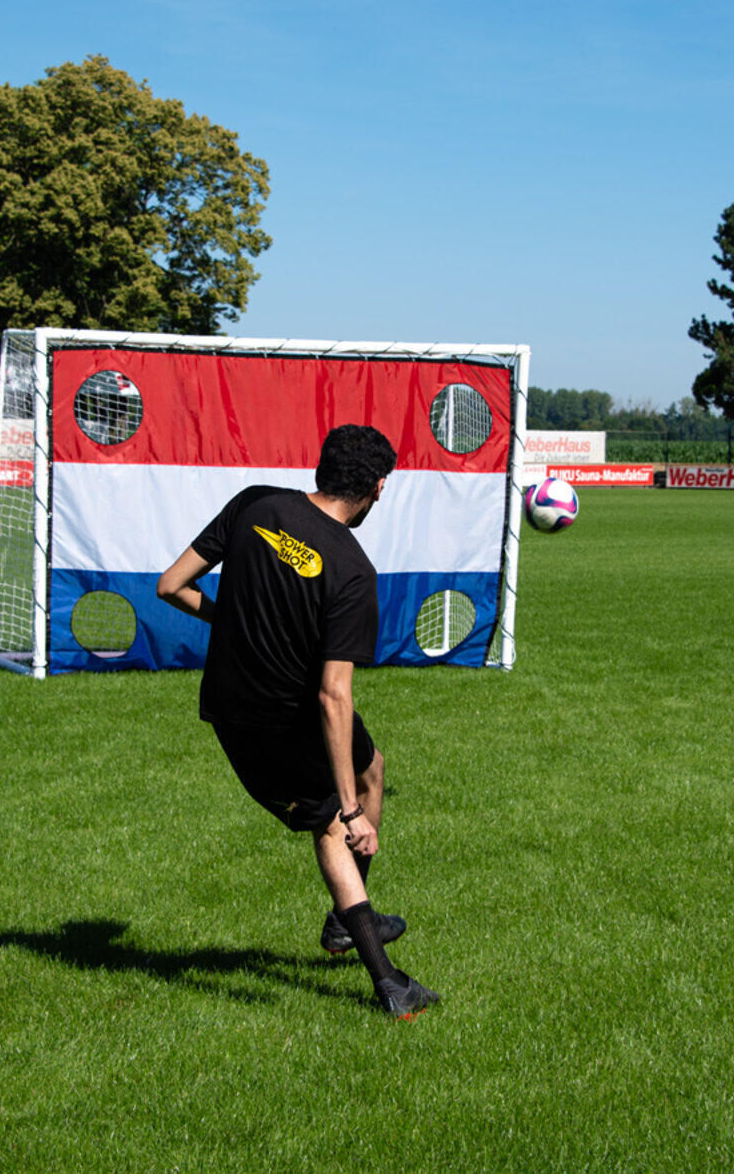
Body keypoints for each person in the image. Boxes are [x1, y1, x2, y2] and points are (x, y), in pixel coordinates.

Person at [157, 423, 439, 1020]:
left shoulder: (256, 502)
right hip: (283, 718)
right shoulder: (353, 570)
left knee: (373, 769)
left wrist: (232, 625)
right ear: (378, 488)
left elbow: (171, 585)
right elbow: (334, 697)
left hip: (230, 705)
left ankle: (346, 918)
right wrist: (352, 811)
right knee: (336, 824)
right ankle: (389, 984)